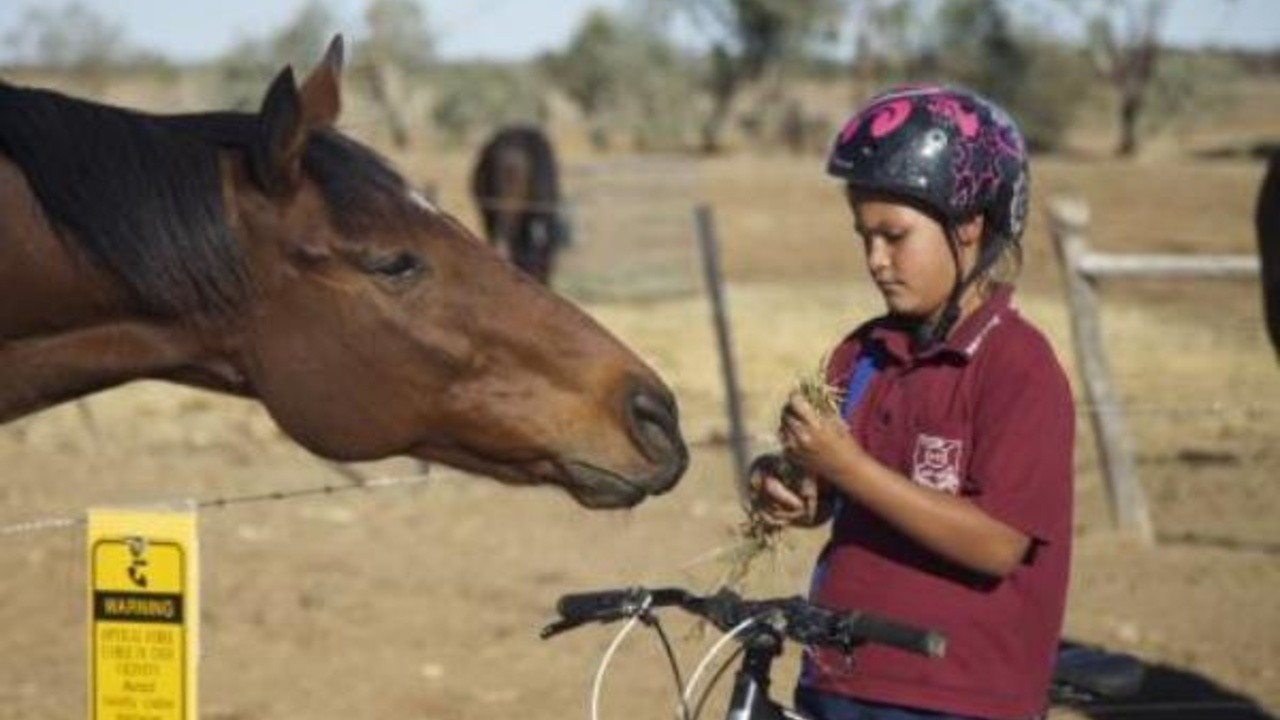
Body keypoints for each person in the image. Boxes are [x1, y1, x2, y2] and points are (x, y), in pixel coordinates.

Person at [751, 86, 1074, 720]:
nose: (876, 260)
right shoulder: (861, 354)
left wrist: (849, 468)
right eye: (864, 237)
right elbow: (829, 496)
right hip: (837, 679)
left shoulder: (1018, 367)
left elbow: (996, 544)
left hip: (957, 697)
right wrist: (787, 487)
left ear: (969, 224)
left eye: (894, 236)